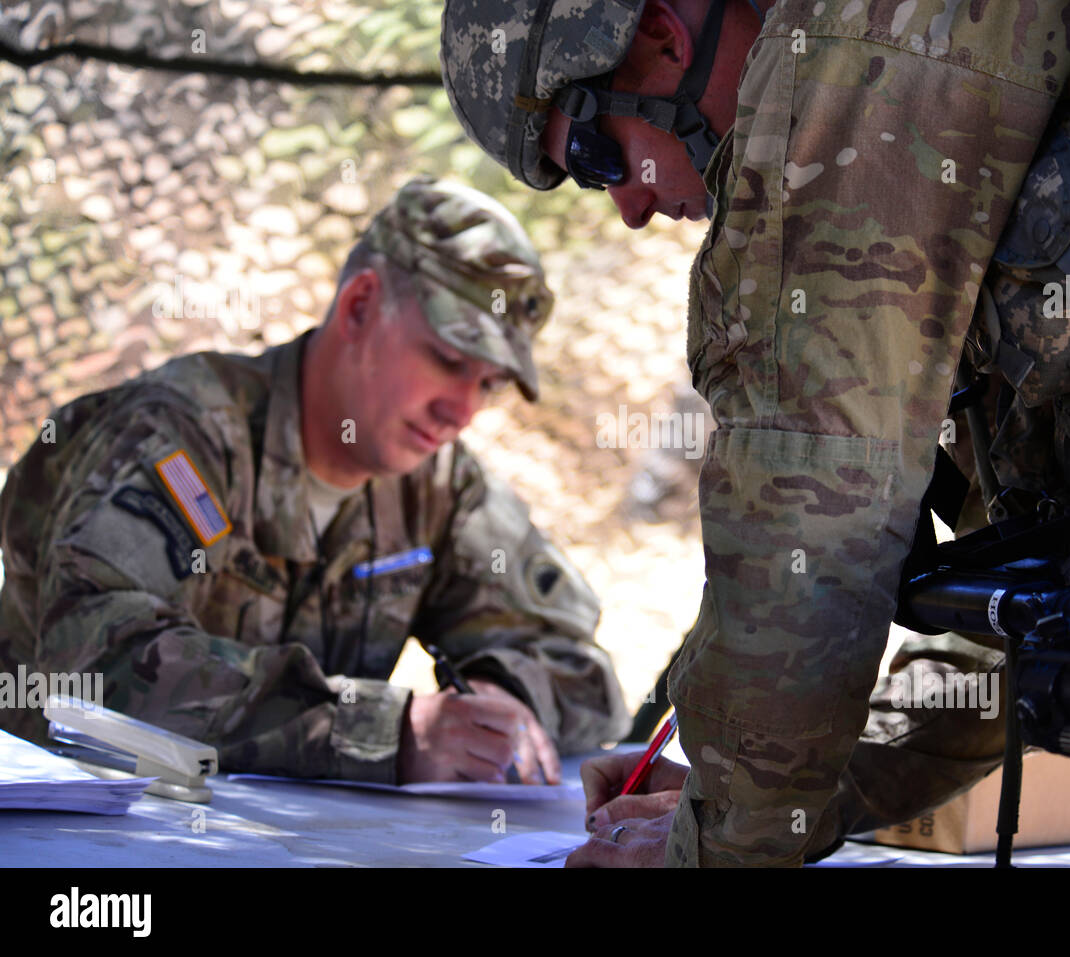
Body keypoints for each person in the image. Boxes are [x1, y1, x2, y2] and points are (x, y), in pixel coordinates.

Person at [440, 0, 1070, 865]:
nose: (625, 207)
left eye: (596, 158)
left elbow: (807, 522)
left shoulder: (853, 45)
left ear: (663, 35)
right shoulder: (956, 98)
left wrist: (724, 837)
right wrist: (811, 784)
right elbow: (1035, 585)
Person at [0, 177, 630, 785]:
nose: (462, 410)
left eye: (489, 383)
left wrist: (502, 702)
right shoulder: (186, 438)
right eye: (448, 359)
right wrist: (384, 731)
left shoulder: (438, 484)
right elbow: (95, 669)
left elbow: (583, 669)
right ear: (359, 306)